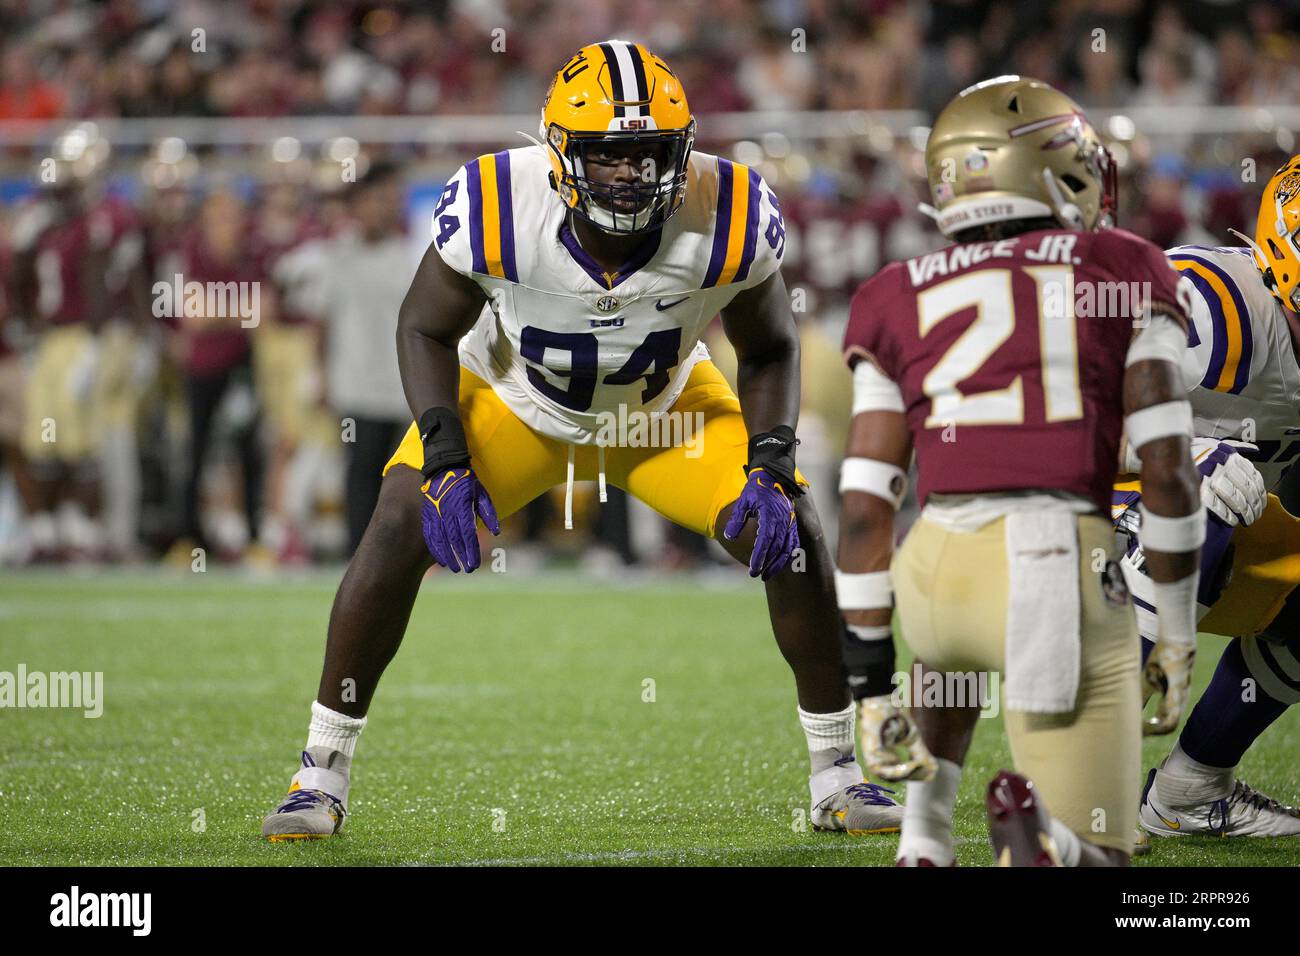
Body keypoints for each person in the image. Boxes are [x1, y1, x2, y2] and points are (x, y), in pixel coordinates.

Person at [261, 40, 903, 841]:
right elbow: (422, 326)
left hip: (661, 415)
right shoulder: (500, 202)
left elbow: (771, 347)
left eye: (650, 155)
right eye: (610, 156)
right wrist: (446, 455)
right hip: (516, 403)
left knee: (793, 530)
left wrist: (772, 461)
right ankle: (319, 773)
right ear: (561, 153)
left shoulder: (727, 211)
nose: (633, 176)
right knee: (398, 521)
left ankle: (838, 774)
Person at [837, 76, 1201, 866]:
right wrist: (1174, 636)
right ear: (1047, 171)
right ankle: (1053, 846)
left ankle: (925, 839)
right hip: (1050, 568)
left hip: (933, 580)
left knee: (957, 655)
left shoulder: (895, 291)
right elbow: (1169, 472)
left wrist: (870, 690)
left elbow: (865, 505)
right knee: (1104, 850)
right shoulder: (1122, 263)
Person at [1112, 154, 1300, 838]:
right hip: (1058, 530)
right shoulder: (1216, 308)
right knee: (1205, 495)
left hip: (1187, 558)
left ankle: (1190, 789)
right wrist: (1179, 456)